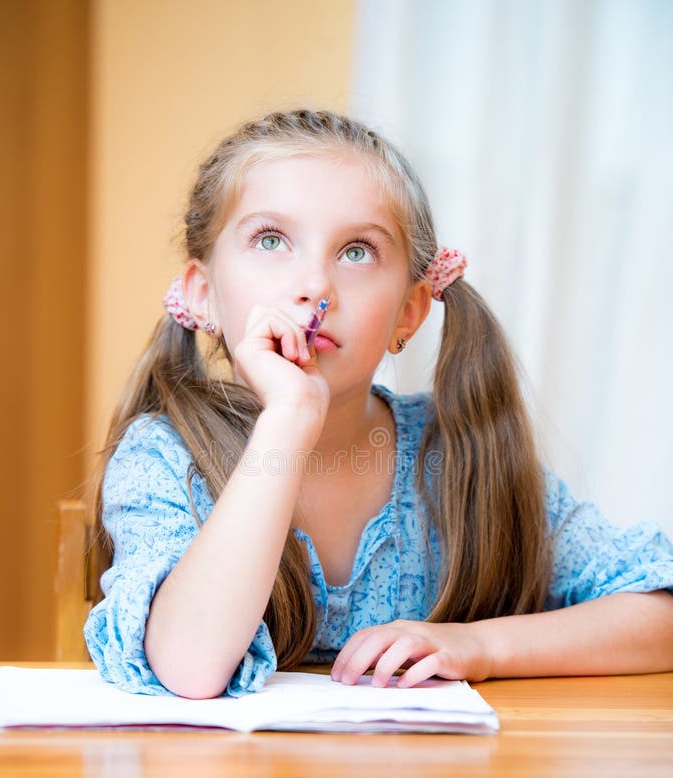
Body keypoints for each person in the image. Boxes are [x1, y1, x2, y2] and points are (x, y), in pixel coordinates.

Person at [83, 109, 673, 700]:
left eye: (357, 252)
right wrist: (289, 418)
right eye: (271, 240)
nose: (315, 285)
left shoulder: (458, 460)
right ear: (203, 295)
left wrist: (481, 645)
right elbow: (189, 666)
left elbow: (659, 611)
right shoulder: (163, 458)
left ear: (409, 312)